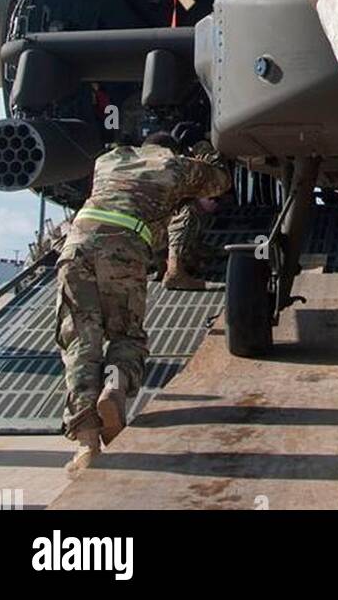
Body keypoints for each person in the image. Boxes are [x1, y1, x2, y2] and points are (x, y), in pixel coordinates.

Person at [55, 130, 231, 473]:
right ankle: (115, 388)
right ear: (171, 148)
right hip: (125, 249)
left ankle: (87, 448)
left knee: (80, 344)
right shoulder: (175, 166)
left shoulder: (108, 160)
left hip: (77, 245)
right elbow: (219, 182)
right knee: (126, 336)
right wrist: (205, 153)